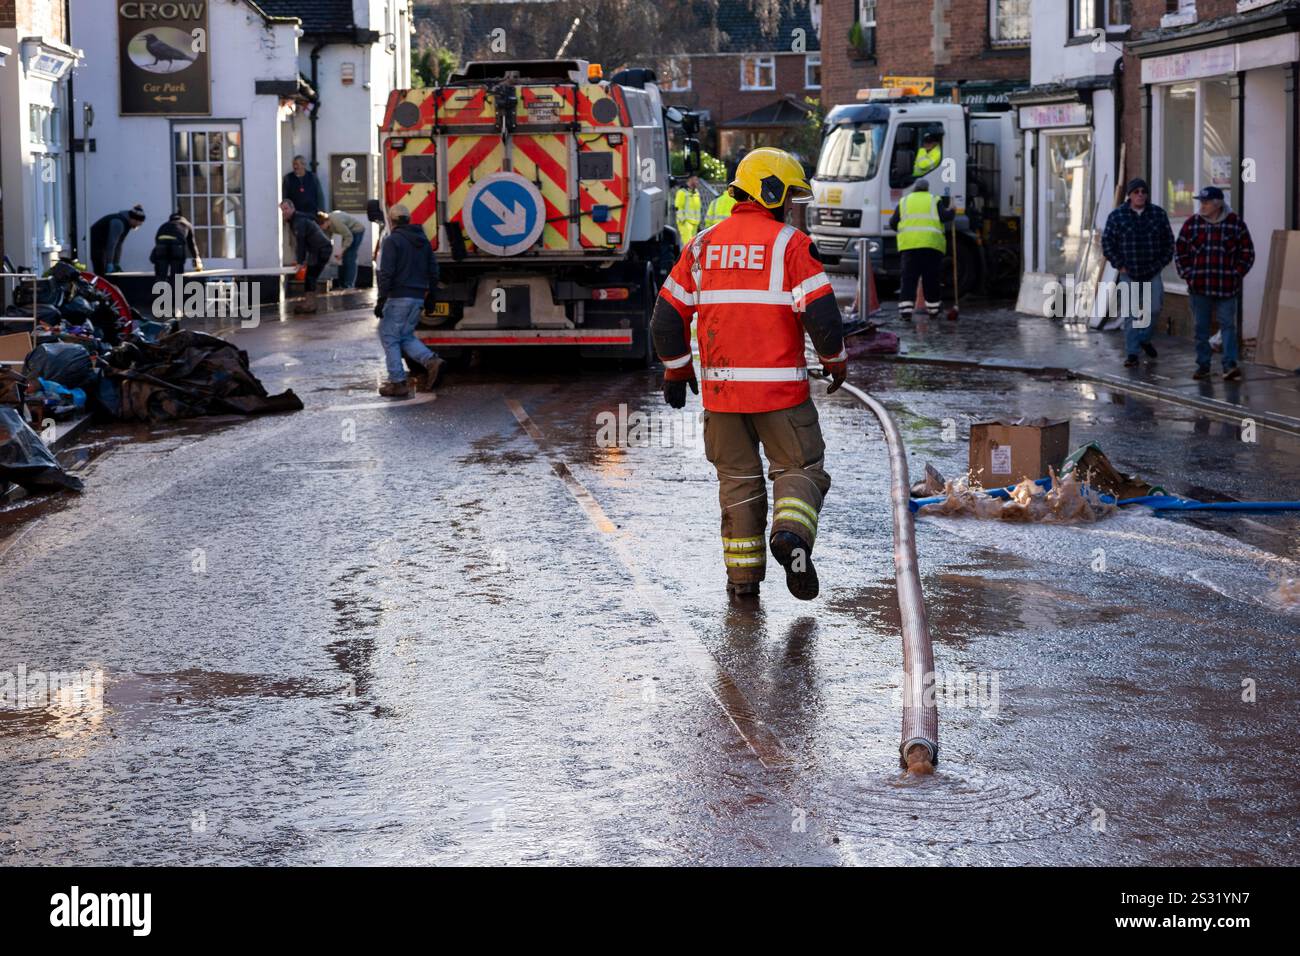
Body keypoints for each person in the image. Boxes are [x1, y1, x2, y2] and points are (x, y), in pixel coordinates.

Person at [652, 147, 847, 604]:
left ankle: (742, 583)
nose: (790, 209)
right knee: (800, 467)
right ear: (772, 191)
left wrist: (677, 370)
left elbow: (665, 317)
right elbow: (823, 316)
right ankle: (792, 534)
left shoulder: (701, 245)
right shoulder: (790, 245)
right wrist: (835, 361)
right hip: (781, 394)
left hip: (721, 398)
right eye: (789, 199)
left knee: (737, 484)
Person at [1175, 185, 1256, 381]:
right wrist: (1188, 274)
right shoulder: (1192, 224)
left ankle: (1230, 366)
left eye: (1206, 202)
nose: (1202, 206)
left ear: (1217, 204)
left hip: (1226, 287)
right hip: (1199, 286)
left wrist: (1236, 274)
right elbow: (1180, 252)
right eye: (1201, 202)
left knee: (1228, 326)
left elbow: (1247, 253)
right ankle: (1203, 366)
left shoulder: (1235, 224)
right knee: (1200, 328)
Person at [1101, 178, 1174, 368]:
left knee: (1155, 309)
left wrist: (1160, 263)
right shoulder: (1117, 216)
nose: (1140, 194)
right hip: (1129, 273)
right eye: (1136, 192)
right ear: (1129, 195)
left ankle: (1144, 338)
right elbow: (1107, 243)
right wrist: (1120, 265)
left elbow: (1169, 243)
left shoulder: (1158, 214)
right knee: (1131, 314)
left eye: (1143, 191)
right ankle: (1132, 353)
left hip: (1152, 271)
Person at [375, 203, 444, 398]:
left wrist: (381, 299)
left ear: (391, 220)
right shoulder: (422, 240)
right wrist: (432, 294)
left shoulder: (392, 241)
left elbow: (386, 272)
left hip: (398, 297)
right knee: (404, 336)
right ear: (409, 219)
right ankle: (431, 361)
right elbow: (433, 269)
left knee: (389, 337)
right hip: (417, 298)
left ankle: (397, 382)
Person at [888, 179, 954, 320]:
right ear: (927, 189)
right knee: (931, 279)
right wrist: (953, 210)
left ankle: (906, 312)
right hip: (931, 246)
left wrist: (904, 231)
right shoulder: (934, 200)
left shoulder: (904, 201)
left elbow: (893, 223)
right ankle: (933, 311)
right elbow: (945, 217)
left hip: (909, 247)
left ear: (914, 189)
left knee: (908, 279)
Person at [281, 200, 333, 314]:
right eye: (282, 209)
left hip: (321, 249)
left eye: (286, 209)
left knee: (310, 276)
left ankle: (310, 304)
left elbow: (301, 242)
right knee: (310, 276)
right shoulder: (296, 219)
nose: (284, 212)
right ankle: (310, 303)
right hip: (319, 249)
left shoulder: (299, 221)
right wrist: (302, 260)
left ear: (292, 208)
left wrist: (300, 261)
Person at [89, 205, 146, 275]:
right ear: (134, 219)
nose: (138, 226)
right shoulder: (118, 223)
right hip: (95, 242)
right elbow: (111, 244)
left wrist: (116, 263)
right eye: (138, 224)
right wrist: (109, 263)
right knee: (101, 270)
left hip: (102, 244)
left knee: (106, 270)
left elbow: (119, 245)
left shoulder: (127, 224)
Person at [317, 209, 367, 289]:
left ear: (325, 222)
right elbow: (328, 238)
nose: (322, 229)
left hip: (356, 231)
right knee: (344, 258)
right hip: (347, 233)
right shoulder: (328, 224)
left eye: (321, 227)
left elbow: (349, 237)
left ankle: (349, 285)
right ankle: (343, 284)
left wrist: (341, 250)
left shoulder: (336, 222)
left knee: (350, 257)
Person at [149, 211, 202, 280]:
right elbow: (191, 244)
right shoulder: (187, 224)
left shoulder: (164, 225)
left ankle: (160, 287)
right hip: (177, 247)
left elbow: (157, 240)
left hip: (161, 246)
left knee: (161, 275)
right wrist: (196, 257)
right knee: (177, 276)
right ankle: (176, 289)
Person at [675, 175, 703, 244]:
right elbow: (678, 207)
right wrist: (683, 221)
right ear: (690, 180)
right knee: (688, 245)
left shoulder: (696, 192)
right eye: (695, 180)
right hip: (686, 223)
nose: (697, 182)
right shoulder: (682, 192)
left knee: (693, 246)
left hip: (695, 223)